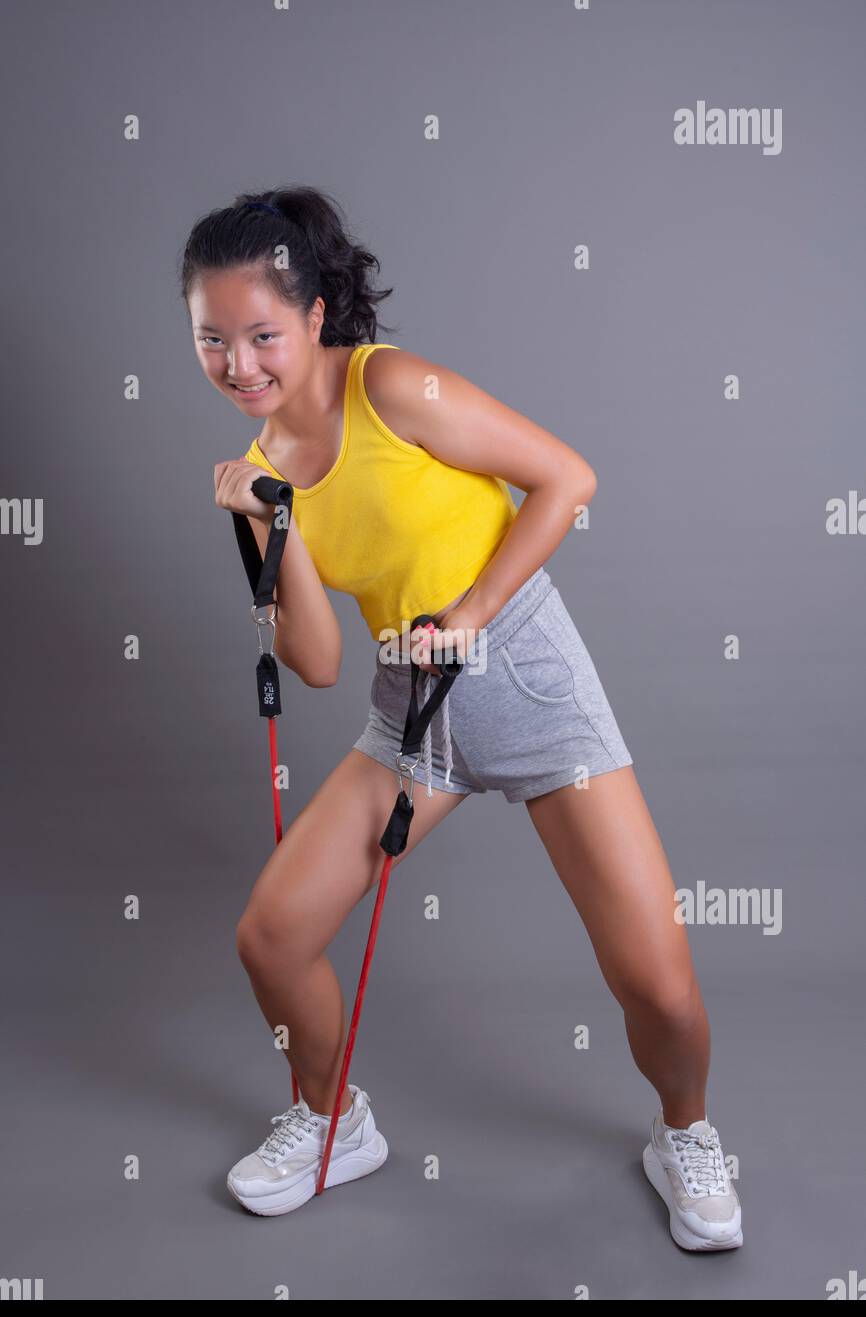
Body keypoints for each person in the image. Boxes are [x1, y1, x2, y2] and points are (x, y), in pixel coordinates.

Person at [179, 185, 742, 1251]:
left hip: (524, 674)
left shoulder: (392, 385)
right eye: (213, 340)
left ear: (310, 319)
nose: (239, 364)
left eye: (261, 334)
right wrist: (275, 525)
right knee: (273, 935)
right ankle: (331, 1117)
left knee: (657, 988)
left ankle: (685, 1134)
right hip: (410, 713)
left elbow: (565, 477)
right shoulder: (252, 477)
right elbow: (316, 658)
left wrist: (470, 613)